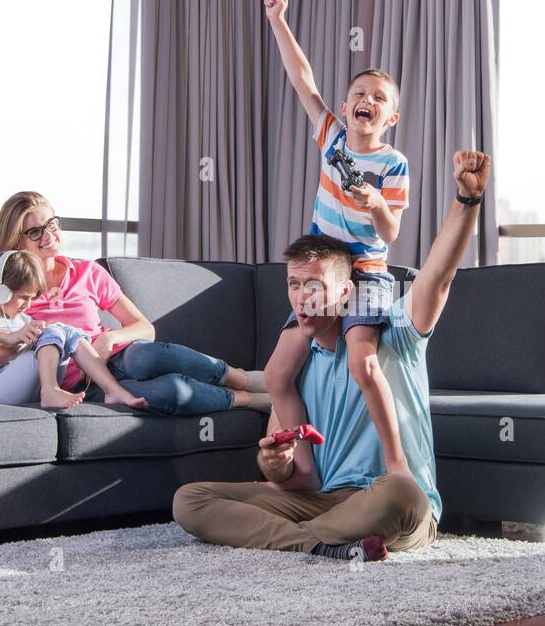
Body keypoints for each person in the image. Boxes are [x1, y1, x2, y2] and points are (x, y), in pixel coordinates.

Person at [173, 149, 491, 562]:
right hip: (322, 501)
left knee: (401, 493)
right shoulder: (293, 367)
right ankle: (320, 545)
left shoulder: (393, 333)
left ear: (345, 292)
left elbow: (440, 275)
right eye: (293, 284)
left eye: (314, 285)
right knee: (190, 500)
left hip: (389, 501)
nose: (301, 297)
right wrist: (273, 462)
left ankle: (294, 542)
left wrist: (467, 201)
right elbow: (288, 478)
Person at [262, 0, 414, 486]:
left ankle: (396, 465)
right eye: (359, 94)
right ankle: (303, 474)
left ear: (389, 117)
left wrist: (374, 205)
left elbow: (392, 231)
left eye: (379, 98)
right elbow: (302, 80)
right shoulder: (330, 135)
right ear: (346, 106)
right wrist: (279, 21)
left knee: (362, 362)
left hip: (365, 270)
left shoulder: (393, 164)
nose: (366, 100)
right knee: (277, 374)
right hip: (320, 266)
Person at [0, 191, 268, 414]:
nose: (49, 235)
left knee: (149, 356)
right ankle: (247, 400)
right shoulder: (7, 284)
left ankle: (238, 376)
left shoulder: (86, 273)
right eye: (35, 232)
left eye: (52, 224)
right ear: (16, 241)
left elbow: (145, 328)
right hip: (81, 382)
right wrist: (9, 337)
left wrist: (112, 337)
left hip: (115, 356)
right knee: (170, 392)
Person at [0, 249, 148, 411]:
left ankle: (112, 390)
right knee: (52, 332)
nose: (28, 305)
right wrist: (21, 339)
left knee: (65, 331)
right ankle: (49, 391)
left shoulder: (22, 319)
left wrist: (36, 337)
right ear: (0, 292)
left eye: (32, 299)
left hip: (25, 386)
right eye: (23, 298)